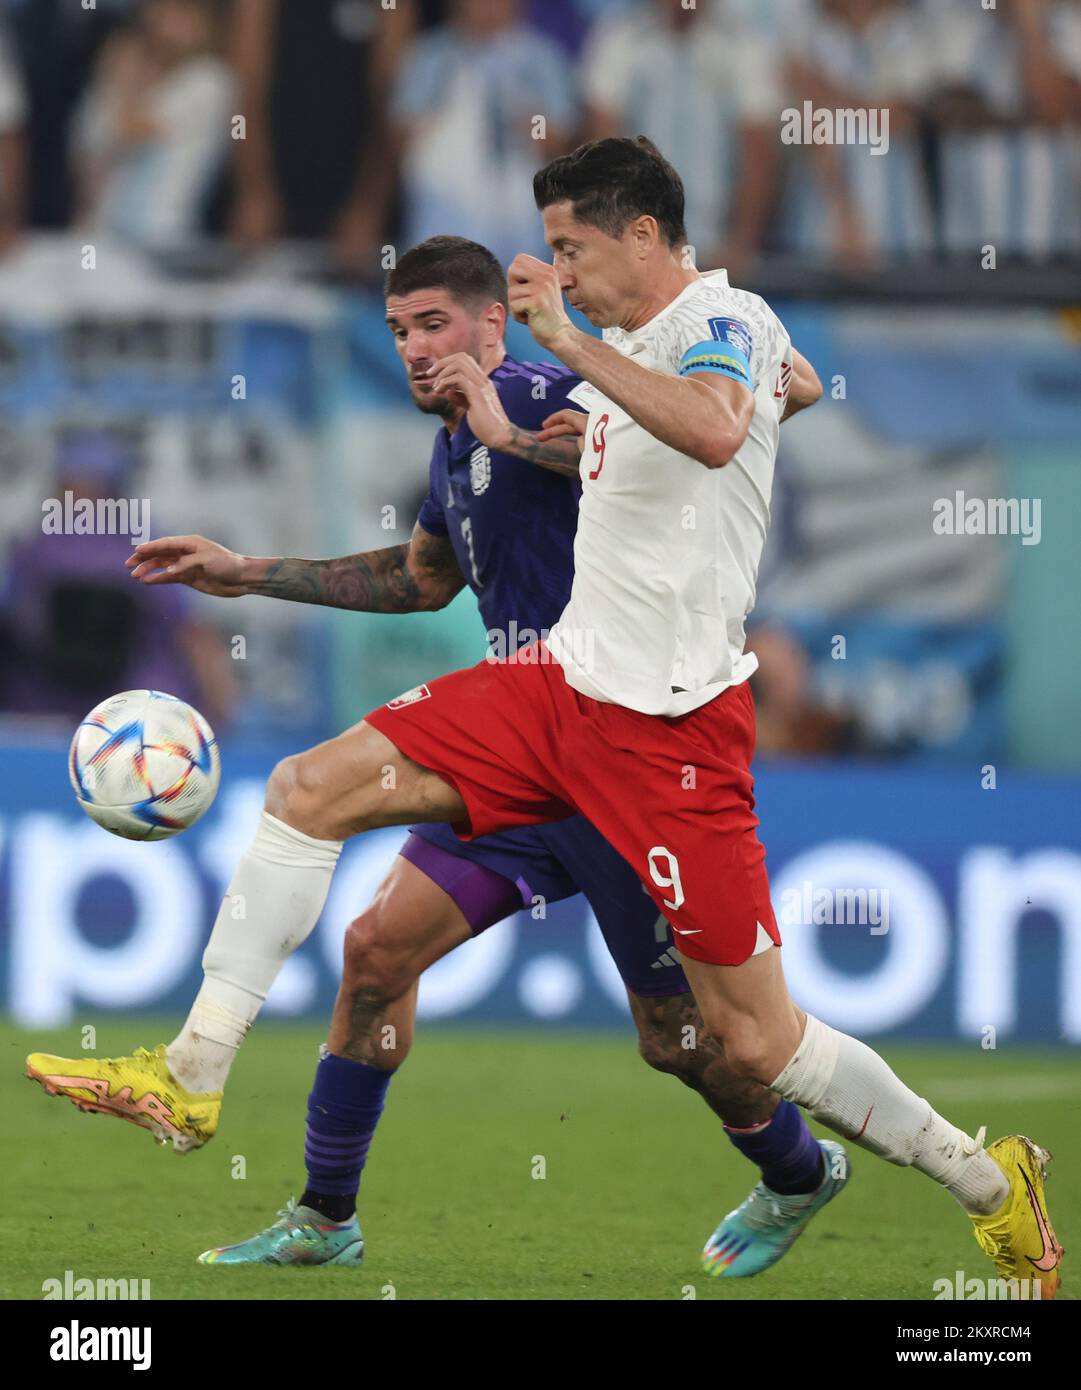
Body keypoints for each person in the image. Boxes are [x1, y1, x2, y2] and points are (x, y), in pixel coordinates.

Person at [29, 137, 1062, 1296]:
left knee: (741, 1046)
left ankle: (984, 1181)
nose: (559, 277)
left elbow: (720, 425)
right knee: (307, 800)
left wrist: (566, 356)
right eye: (550, 260)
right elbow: (444, 566)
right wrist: (249, 571)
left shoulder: (700, 328)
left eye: (571, 251)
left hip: (669, 734)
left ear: (642, 235)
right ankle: (196, 1074)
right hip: (553, 693)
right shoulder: (631, 358)